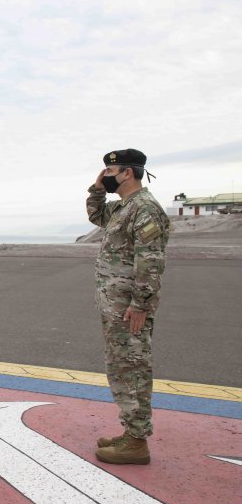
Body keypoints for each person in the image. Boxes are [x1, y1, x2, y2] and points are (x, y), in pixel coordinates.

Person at [88, 149, 170, 465]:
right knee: (121, 366)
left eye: (111, 171)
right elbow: (96, 215)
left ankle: (137, 443)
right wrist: (96, 188)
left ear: (127, 173)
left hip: (129, 308)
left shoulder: (145, 209)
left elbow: (151, 261)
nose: (106, 175)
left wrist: (140, 305)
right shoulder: (124, 208)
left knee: (132, 367)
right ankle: (130, 432)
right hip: (116, 305)